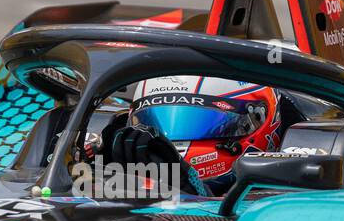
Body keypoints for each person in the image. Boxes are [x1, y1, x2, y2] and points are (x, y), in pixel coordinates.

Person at [101, 77, 282, 197]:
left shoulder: (283, 203)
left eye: (206, 123)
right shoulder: (132, 152)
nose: (167, 141)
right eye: (151, 121)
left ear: (258, 118)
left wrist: (195, 194)